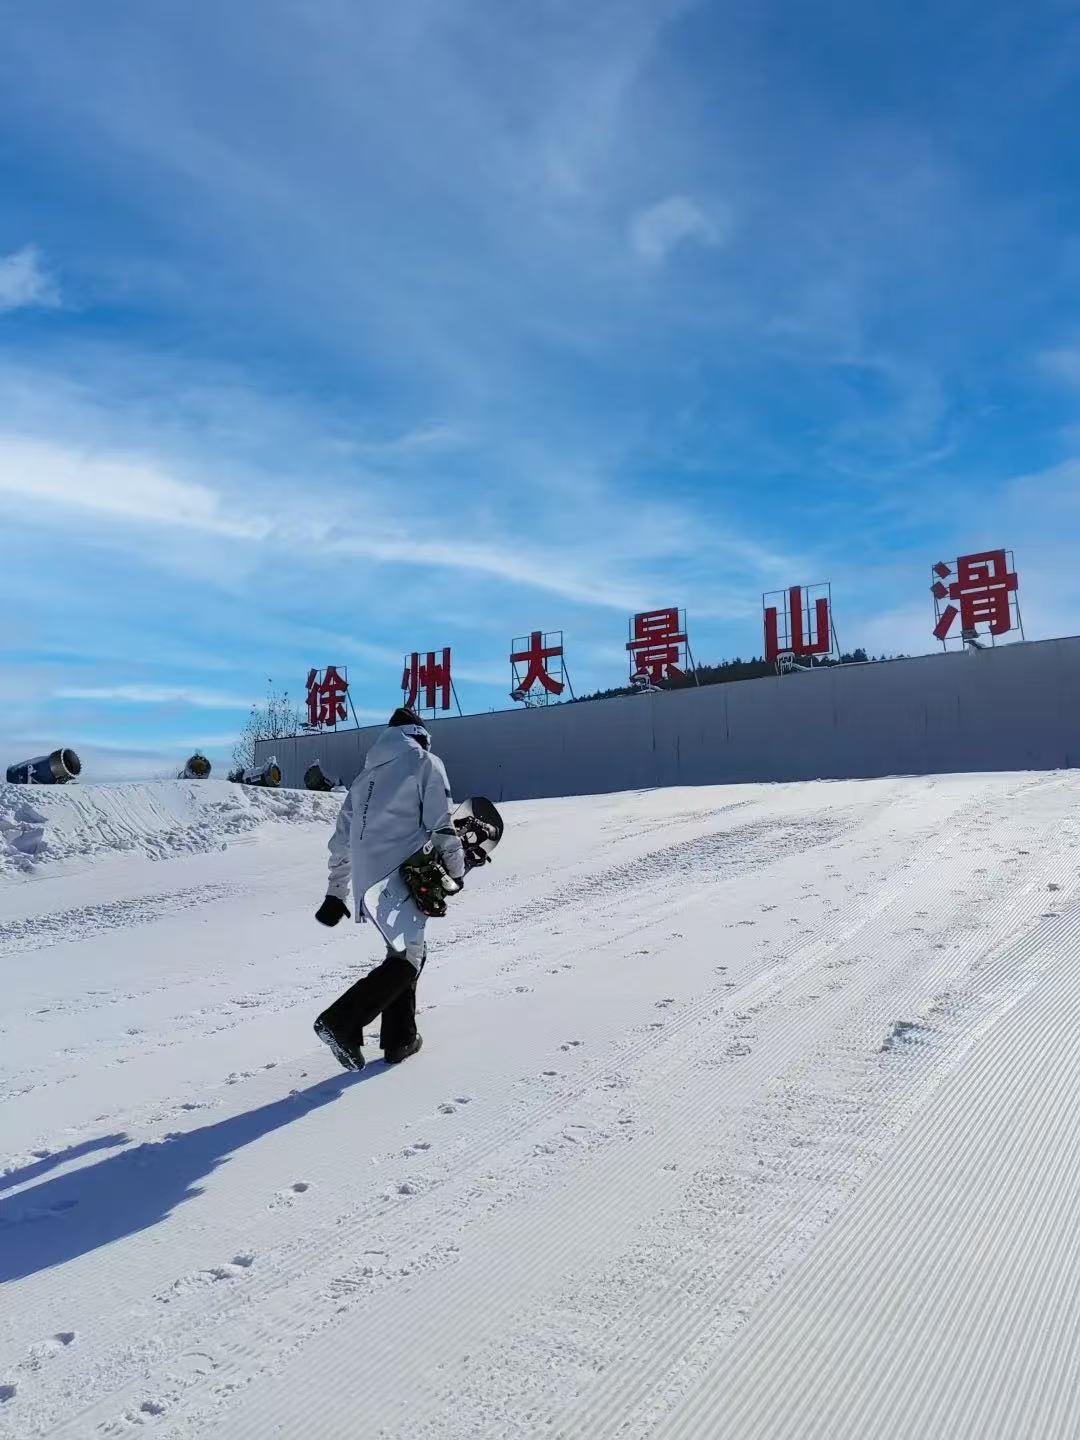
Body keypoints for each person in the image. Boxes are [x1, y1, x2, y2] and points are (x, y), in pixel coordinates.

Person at [312, 706, 465, 1071]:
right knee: (408, 959)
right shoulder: (425, 762)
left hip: (369, 883)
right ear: (420, 736)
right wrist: (456, 869)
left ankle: (400, 1039)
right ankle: (341, 1021)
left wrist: (336, 891)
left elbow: (341, 837)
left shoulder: (364, 777)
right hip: (404, 876)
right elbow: (441, 823)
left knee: (403, 952)